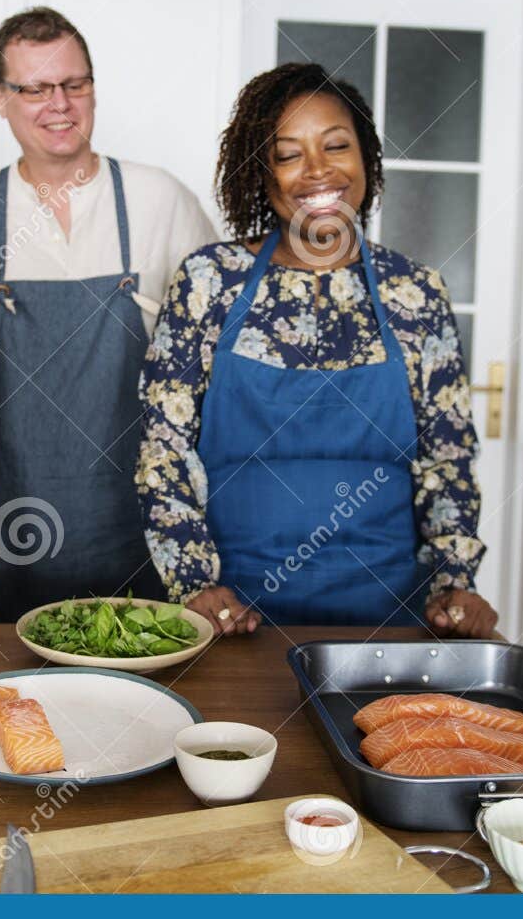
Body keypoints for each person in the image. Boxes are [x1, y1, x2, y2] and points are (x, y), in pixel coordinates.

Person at [137, 62, 497, 634]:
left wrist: (455, 581)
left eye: (337, 146)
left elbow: (446, 455)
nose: (318, 171)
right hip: (234, 613)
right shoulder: (211, 280)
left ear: (367, 160)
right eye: (288, 154)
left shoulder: (415, 291)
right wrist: (196, 583)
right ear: (262, 173)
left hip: (387, 617)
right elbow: (166, 448)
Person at [0, 7, 215, 620]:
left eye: (75, 84)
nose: (60, 104)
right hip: (2, 539)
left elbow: (215, 381)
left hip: (145, 539)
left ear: (93, 88)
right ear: (0, 98)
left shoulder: (163, 202)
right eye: (35, 88)